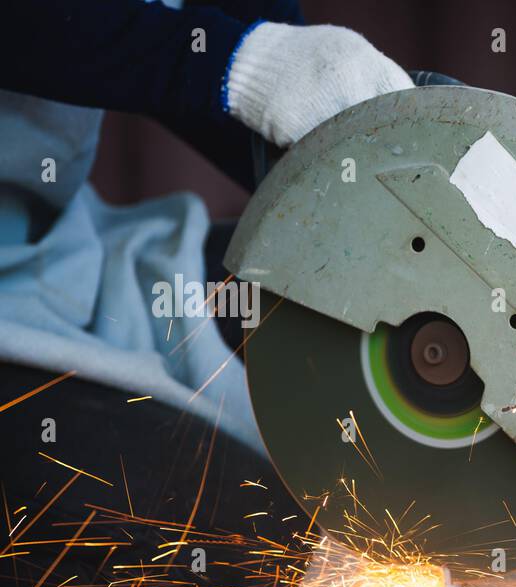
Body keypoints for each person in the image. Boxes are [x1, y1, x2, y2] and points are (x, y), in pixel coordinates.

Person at [0, 0, 413, 447]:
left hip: (56, 247)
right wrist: (242, 61)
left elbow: (195, 26)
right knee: (186, 498)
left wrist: (317, 142)